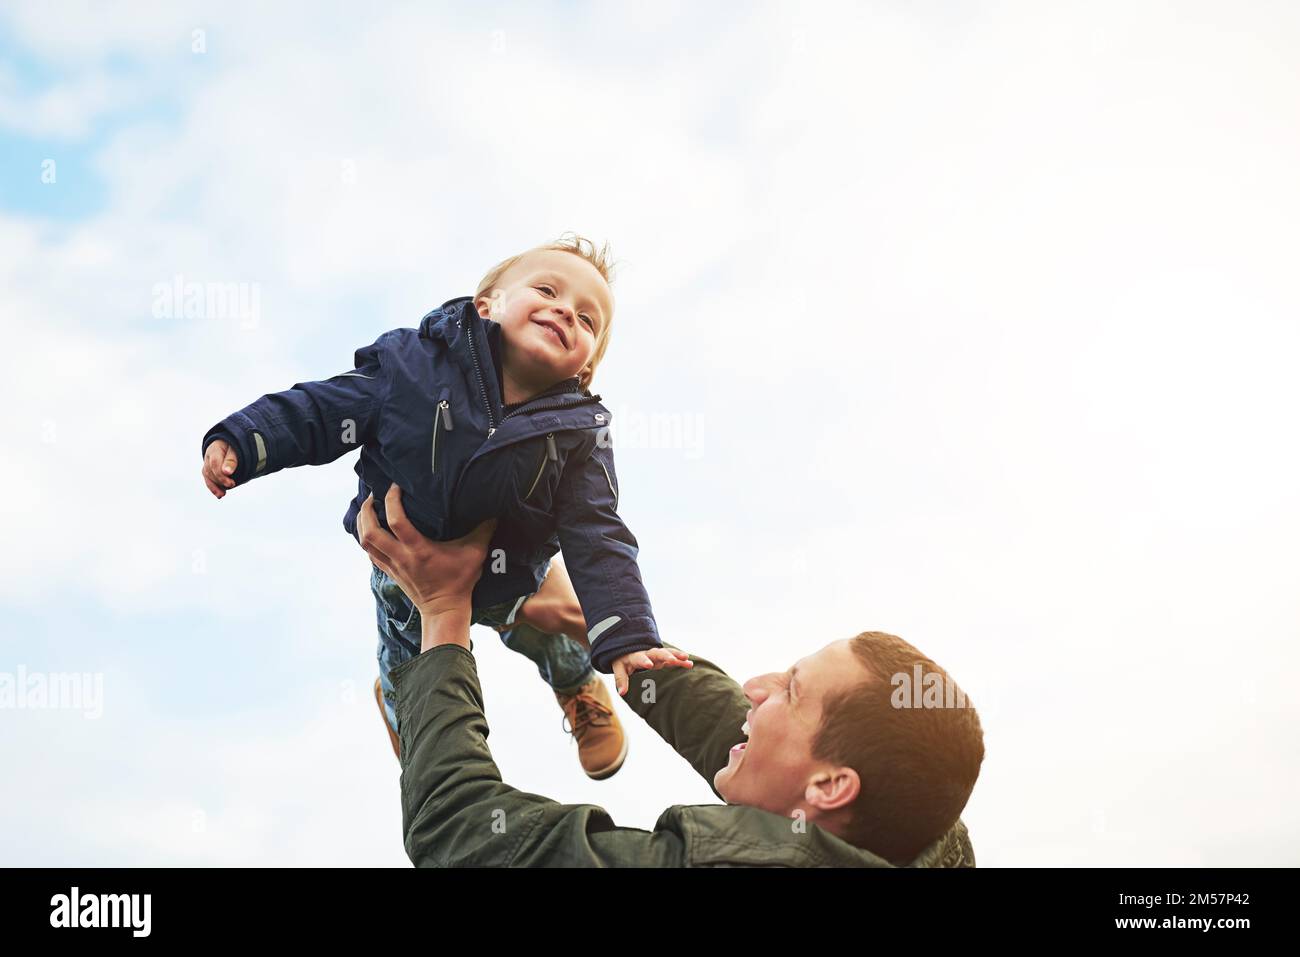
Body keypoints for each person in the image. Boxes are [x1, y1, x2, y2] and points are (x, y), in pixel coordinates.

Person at [199, 234, 688, 780]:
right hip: (406, 570)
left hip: (512, 573)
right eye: (547, 289)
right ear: (488, 306)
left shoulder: (578, 434)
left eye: (587, 319)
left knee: (547, 629)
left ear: (585, 370)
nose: (565, 311)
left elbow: (598, 534)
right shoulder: (410, 367)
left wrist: (627, 637)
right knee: (412, 659)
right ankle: (410, 715)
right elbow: (320, 406)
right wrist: (245, 439)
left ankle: (577, 687)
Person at [358, 484, 985, 867]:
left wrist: (441, 618)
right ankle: (559, 639)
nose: (756, 686)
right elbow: (730, 730)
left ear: (830, 788)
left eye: (790, 692)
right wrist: (600, 626)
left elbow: (461, 838)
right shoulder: (913, 820)